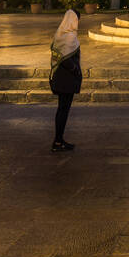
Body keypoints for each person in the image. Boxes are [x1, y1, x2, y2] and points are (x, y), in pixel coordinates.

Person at [48, 9, 82, 151]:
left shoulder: (59, 34)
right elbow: (66, 61)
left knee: (61, 109)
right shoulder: (70, 37)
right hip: (67, 80)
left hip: (58, 77)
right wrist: (76, 70)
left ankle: (58, 140)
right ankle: (58, 141)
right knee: (64, 109)